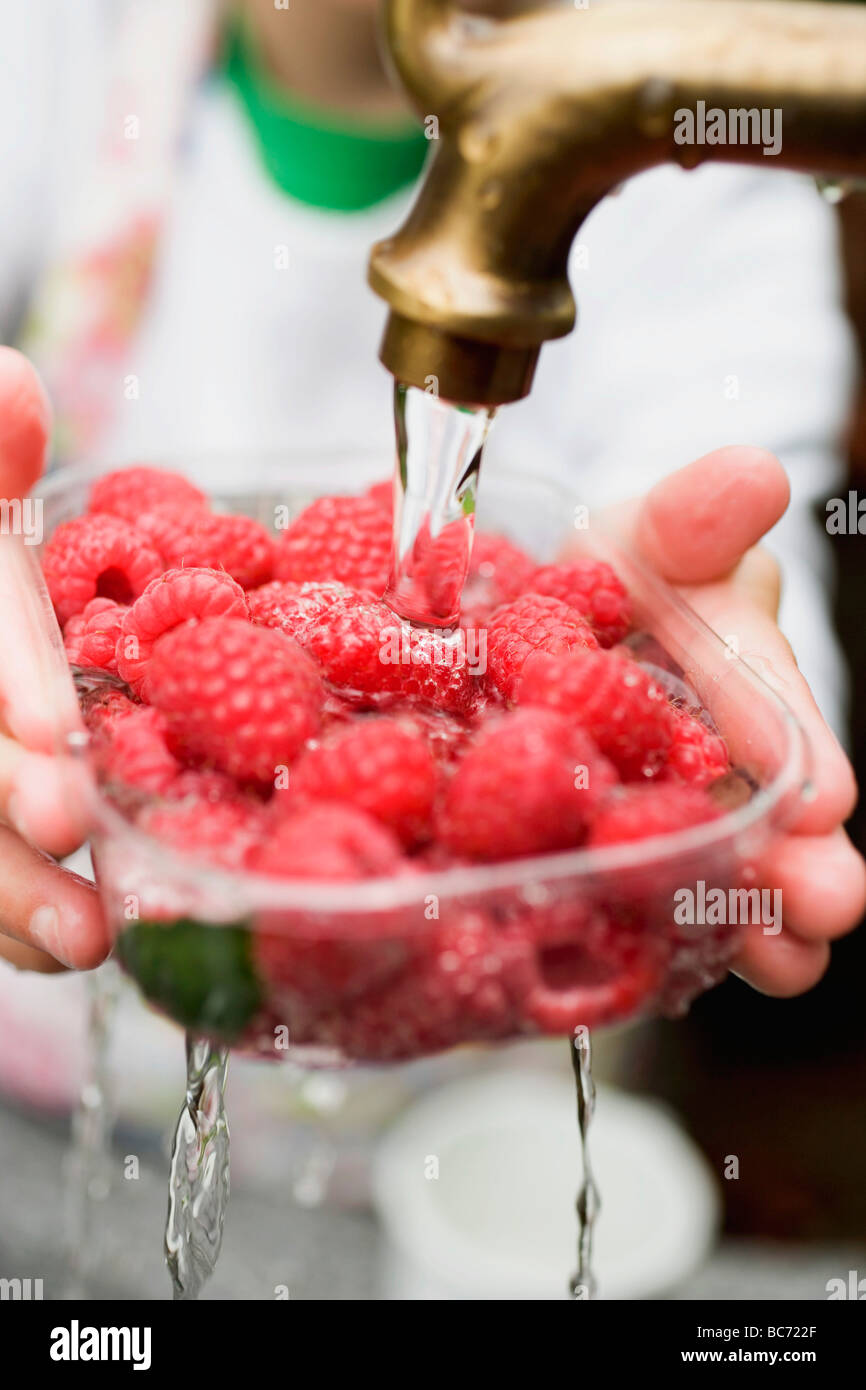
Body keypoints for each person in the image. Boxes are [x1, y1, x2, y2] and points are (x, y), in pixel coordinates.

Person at [0, 0, 862, 1059]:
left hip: (493, 1051)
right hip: (60, 1021)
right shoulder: (55, 38)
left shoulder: (704, 127)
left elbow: (744, 586)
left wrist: (698, 645)